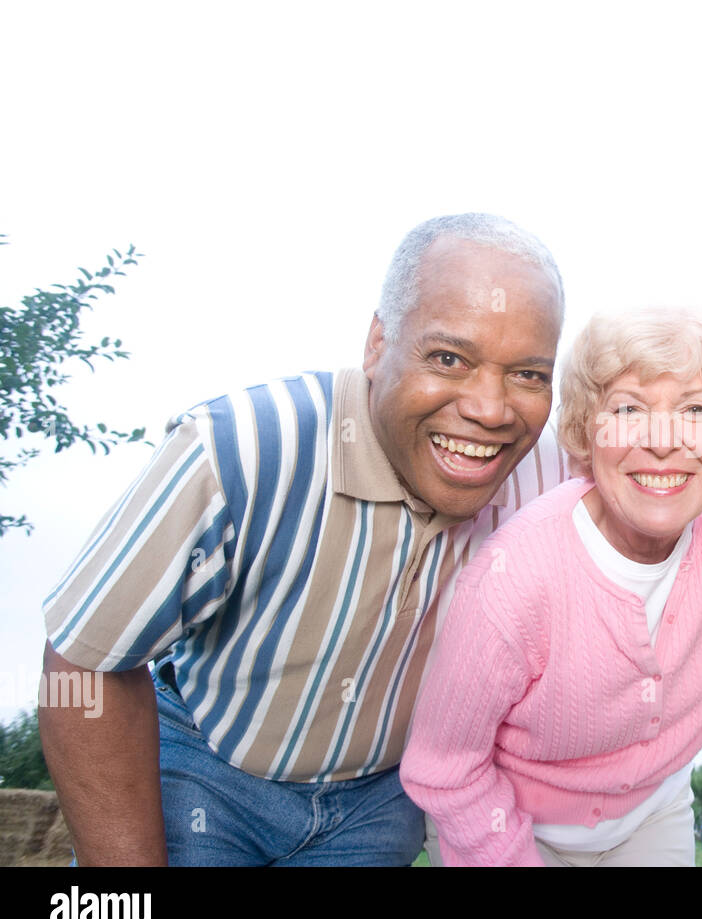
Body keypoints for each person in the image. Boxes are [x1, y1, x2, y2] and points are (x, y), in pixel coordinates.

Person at [38, 213, 568, 866]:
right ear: (377, 344)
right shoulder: (239, 450)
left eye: (529, 375)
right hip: (208, 767)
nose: (490, 410)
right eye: (449, 358)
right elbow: (85, 657)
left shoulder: (550, 482)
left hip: (380, 800)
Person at [400, 306, 702, 866]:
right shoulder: (512, 579)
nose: (663, 441)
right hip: (508, 826)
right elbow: (444, 770)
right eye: (627, 409)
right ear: (585, 432)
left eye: (695, 408)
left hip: (652, 813)